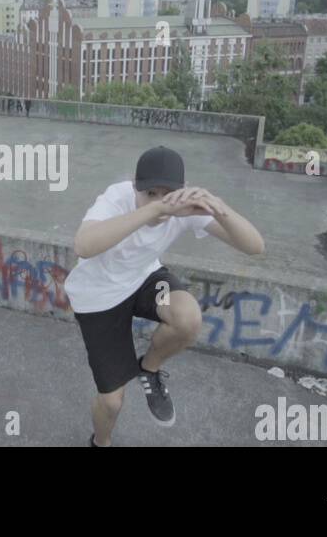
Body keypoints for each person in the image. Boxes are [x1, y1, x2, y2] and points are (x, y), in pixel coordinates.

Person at [64, 145, 265, 447]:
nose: (159, 201)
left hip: (144, 279)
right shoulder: (117, 198)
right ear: (135, 187)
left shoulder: (184, 207)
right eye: (150, 193)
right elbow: (83, 245)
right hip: (99, 296)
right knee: (112, 403)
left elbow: (254, 246)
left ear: (181, 191)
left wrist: (218, 207)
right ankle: (100, 442)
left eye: (166, 194)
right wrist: (157, 209)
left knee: (188, 318)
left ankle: (149, 369)